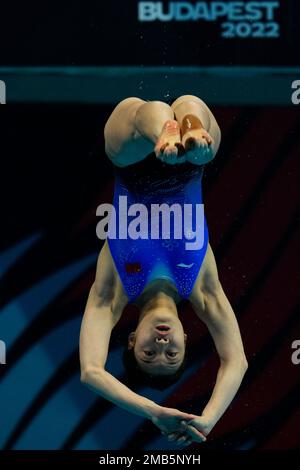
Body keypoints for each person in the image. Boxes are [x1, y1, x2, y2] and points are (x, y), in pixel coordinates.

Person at [79, 95, 248, 446]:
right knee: (191, 104)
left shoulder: (111, 292)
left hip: (131, 157)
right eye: (172, 354)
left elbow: (91, 372)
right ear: (185, 339)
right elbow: (237, 361)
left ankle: (165, 132)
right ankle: (186, 126)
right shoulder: (202, 288)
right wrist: (209, 419)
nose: (161, 344)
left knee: (149, 110)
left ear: (130, 339)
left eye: (148, 353)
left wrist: (153, 411)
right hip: (190, 160)